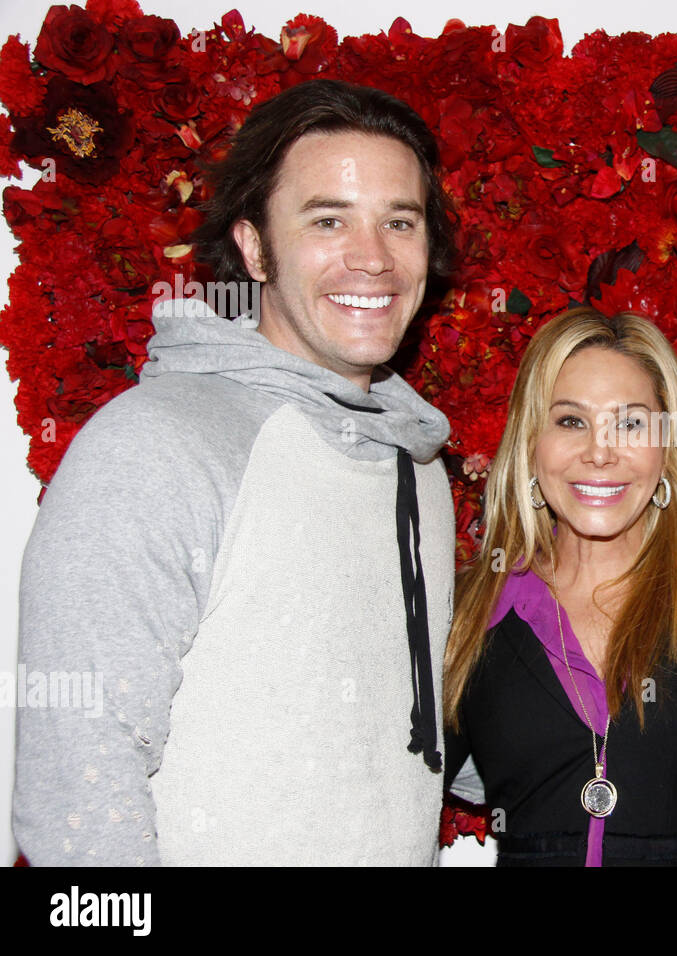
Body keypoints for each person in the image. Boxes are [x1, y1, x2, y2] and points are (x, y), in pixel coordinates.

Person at [12, 79, 457, 865]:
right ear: (254, 247)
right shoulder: (154, 445)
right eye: (328, 220)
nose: (373, 257)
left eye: (400, 221)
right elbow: (78, 793)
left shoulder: (416, 466)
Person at [443, 307, 677, 866]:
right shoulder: (468, 609)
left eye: (631, 423)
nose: (600, 452)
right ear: (531, 440)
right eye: (570, 421)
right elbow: (390, 794)